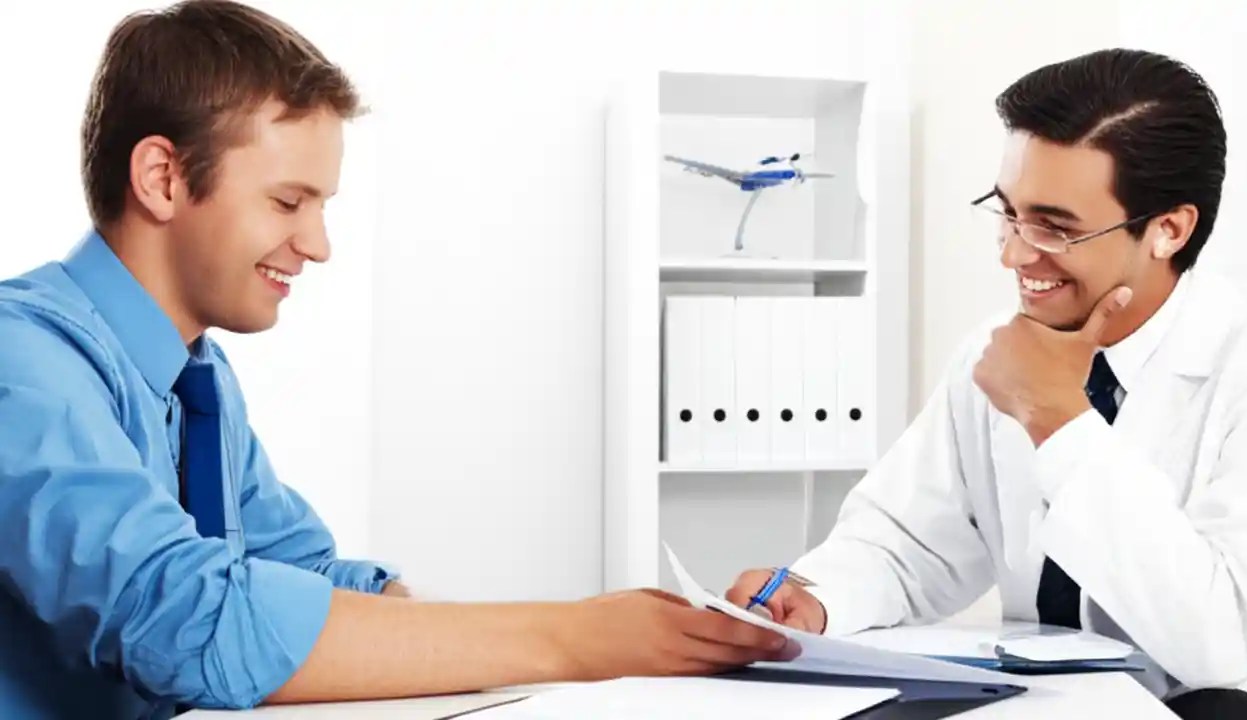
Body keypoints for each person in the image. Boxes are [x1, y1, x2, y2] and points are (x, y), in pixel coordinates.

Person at [0, 2, 791, 717]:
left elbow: (305, 575)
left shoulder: (196, 380)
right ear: (162, 179)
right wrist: (575, 639)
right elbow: (181, 621)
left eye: (321, 207)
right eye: (287, 202)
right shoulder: (20, 358)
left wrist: (610, 632)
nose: (316, 244)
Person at [727, 48, 1247, 719]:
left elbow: (1221, 641)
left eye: (1053, 227)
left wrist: (1059, 421)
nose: (1014, 252)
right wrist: (817, 597)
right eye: (1008, 212)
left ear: (1168, 229)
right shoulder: (998, 352)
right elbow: (909, 544)